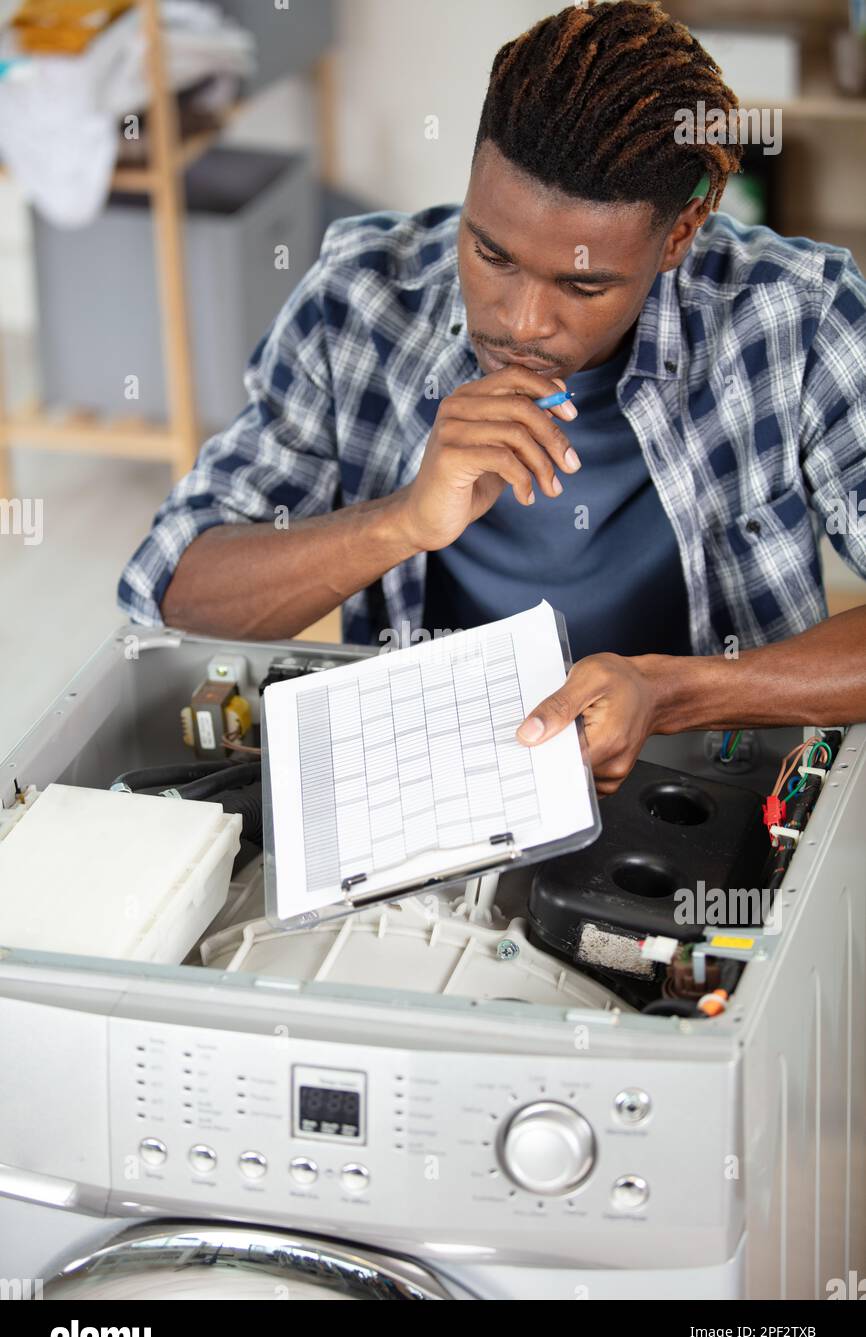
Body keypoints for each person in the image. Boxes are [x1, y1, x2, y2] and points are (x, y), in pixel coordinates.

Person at [118, 1, 866, 796]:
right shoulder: (360, 299)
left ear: (681, 232)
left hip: (719, 795)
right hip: (432, 794)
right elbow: (169, 598)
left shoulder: (799, 317)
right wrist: (399, 520)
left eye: (584, 284)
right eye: (491, 253)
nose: (522, 323)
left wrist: (675, 691)